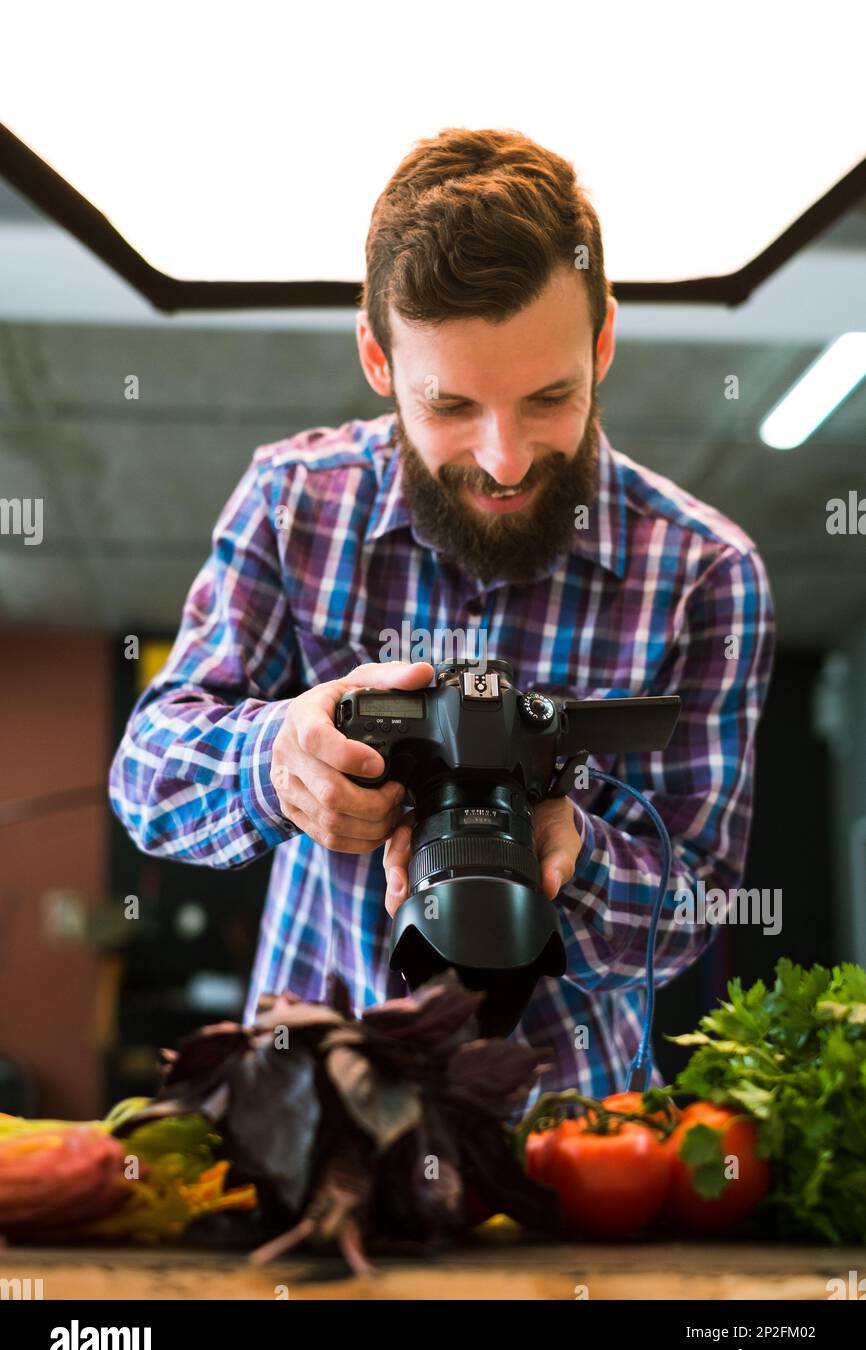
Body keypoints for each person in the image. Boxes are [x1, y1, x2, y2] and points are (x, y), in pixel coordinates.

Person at [109, 127, 775, 1111]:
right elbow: (145, 775)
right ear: (378, 358)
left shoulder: (704, 575)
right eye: (452, 404)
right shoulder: (294, 503)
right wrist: (279, 757)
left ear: (601, 342)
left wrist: (570, 850)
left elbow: (694, 908)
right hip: (305, 1118)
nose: (504, 458)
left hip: (571, 1143)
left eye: (549, 397)